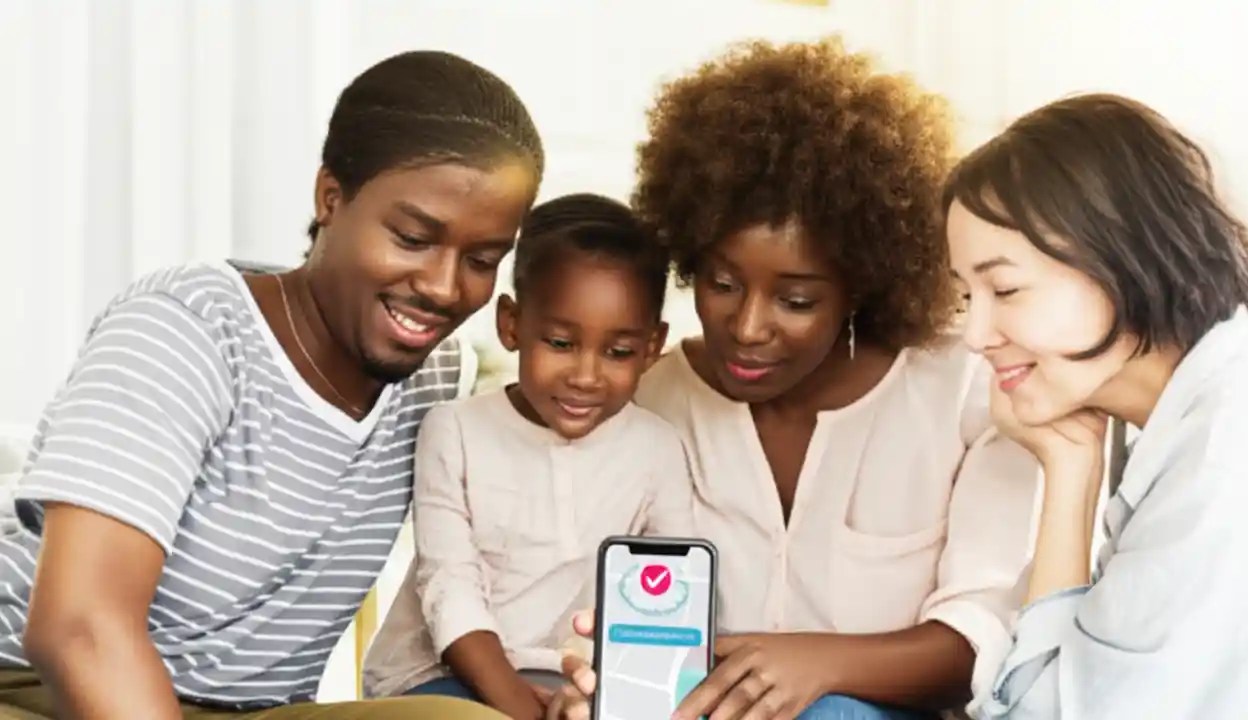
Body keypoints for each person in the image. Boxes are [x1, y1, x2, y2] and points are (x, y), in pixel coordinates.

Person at [0, 50, 544, 719]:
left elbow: (605, 404)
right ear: (330, 197)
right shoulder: (187, 329)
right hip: (44, 690)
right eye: (411, 238)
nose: (442, 286)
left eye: (483, 259)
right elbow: (77, 628)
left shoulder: (437, 377)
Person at [549, 38, 1040, 720]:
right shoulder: (651, 402)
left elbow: (984, 635)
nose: (748, 327)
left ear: (861, 286)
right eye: (722, 284)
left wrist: (819, 663)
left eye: (797, 300)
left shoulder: (964, 390)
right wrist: (594, 683)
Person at [946, 95, 1248, 718]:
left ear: (1126, 260)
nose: (974, 334)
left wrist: (1069, 486)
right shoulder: (1195, 413)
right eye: (966, 295)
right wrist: (1069, 465)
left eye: (1005, 288)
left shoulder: (1230, 457)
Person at [362, 194, 693, 719]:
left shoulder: (658, 449)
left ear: (652, 347)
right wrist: (523, 710)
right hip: (445, 677)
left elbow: (664, 607)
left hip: (580, 684)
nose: (585, 375)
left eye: (619, 352)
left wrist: (591, 693)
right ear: (512, 324)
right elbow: (450, 587)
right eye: (560, 342)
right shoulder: (455, 431)